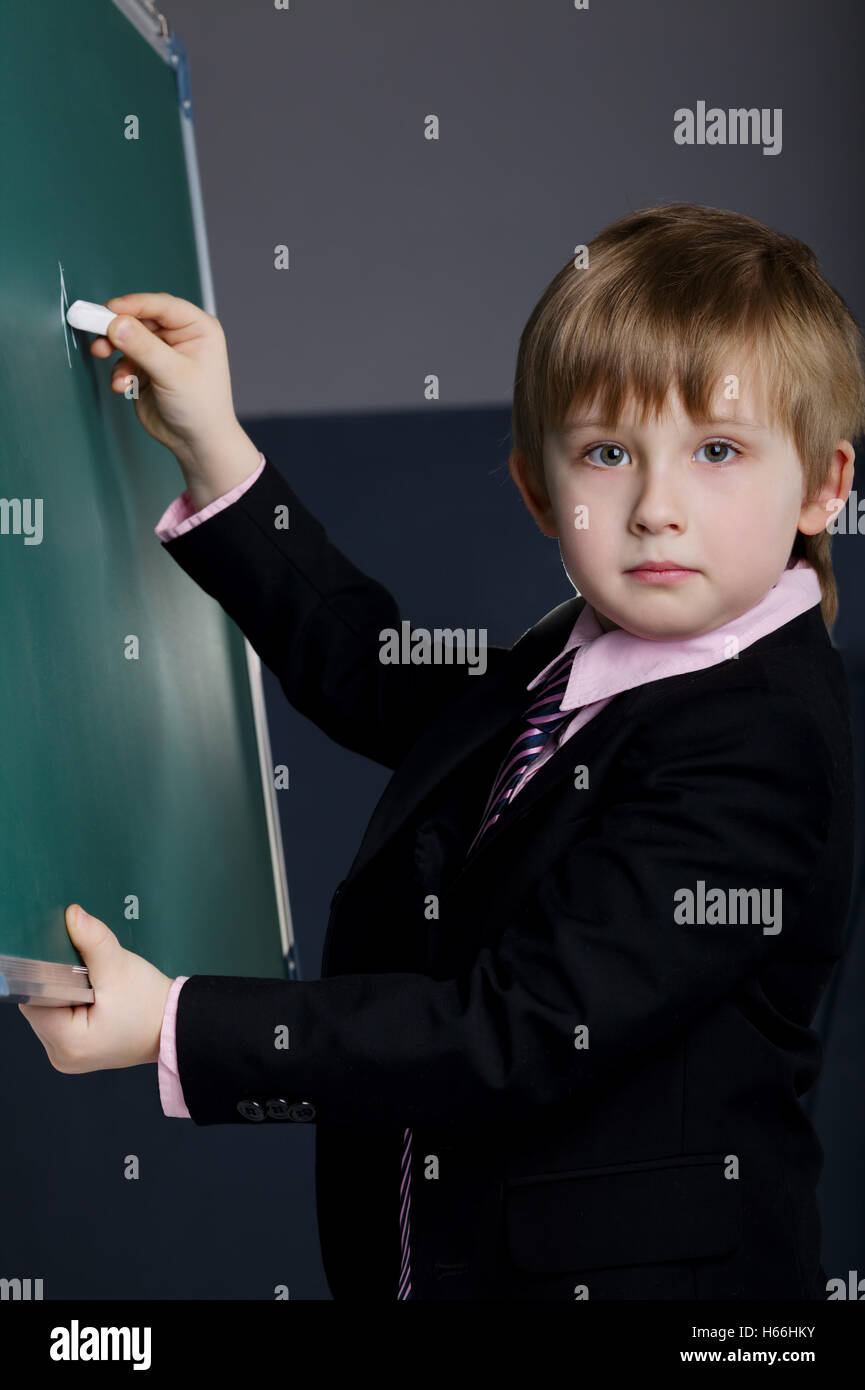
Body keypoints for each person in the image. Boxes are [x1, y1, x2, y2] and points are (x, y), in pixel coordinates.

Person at [20, 202, 864, 1300]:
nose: (657, 509)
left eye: (716, 450)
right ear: (536, 490)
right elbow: (372, 669)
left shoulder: (763, 738)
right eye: (607, 452)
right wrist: (216, 448)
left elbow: (521, 1026)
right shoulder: (581, 654)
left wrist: (178, 1022)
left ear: (823, 487)